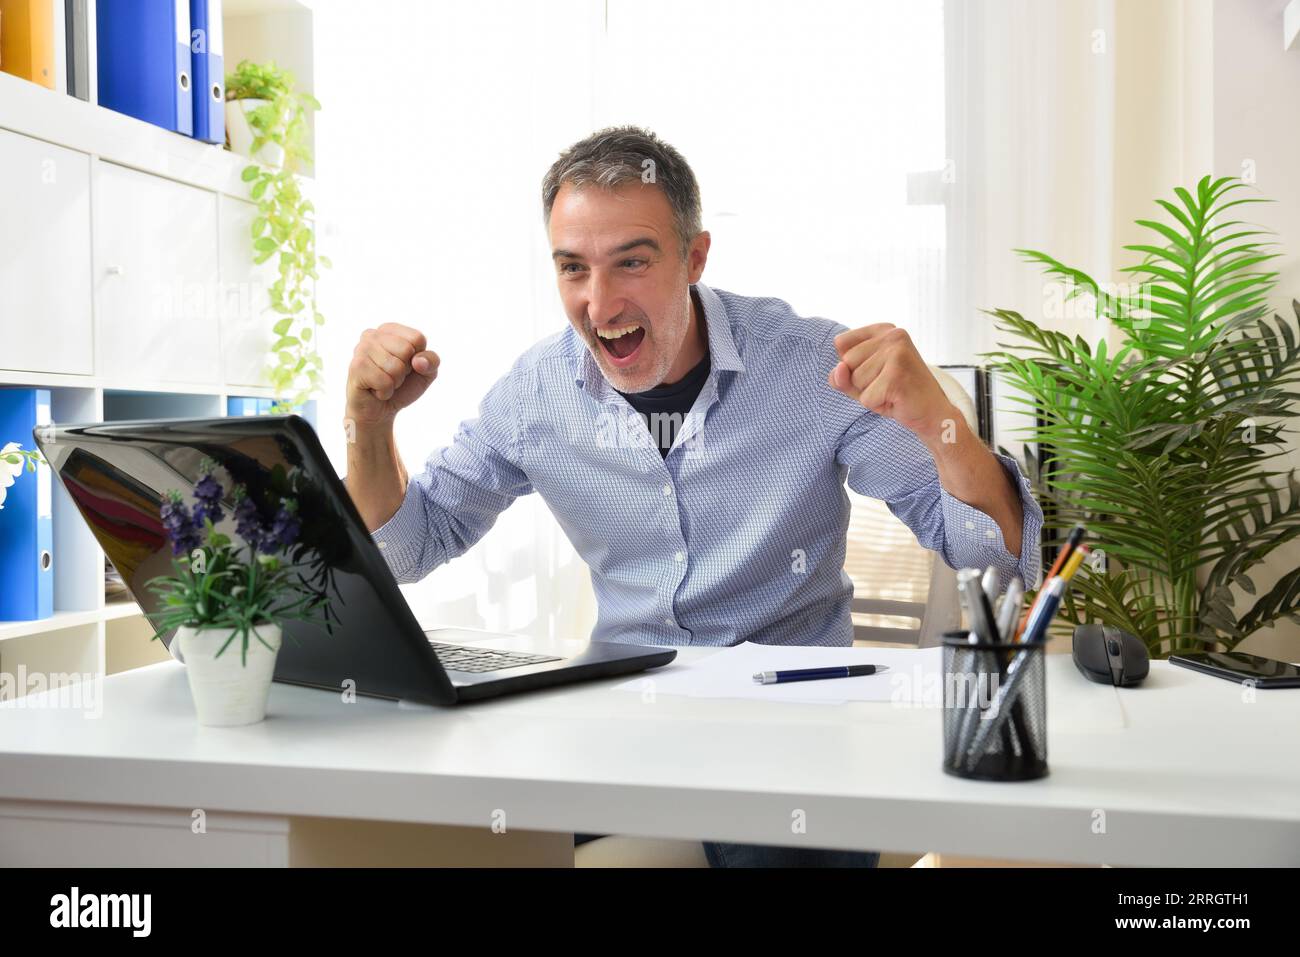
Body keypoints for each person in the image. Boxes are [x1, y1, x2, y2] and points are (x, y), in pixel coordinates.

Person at [342, 126, 1042, 867]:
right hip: (619, 723)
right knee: (450, 837)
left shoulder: (811, 368)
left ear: (695, 257)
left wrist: (941, 420)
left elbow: (996, 560)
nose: (599, 302)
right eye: (573, 268)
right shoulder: (536, 392)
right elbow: (406, 549)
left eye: (632, 263)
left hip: (793, 730)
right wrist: (370, 422)